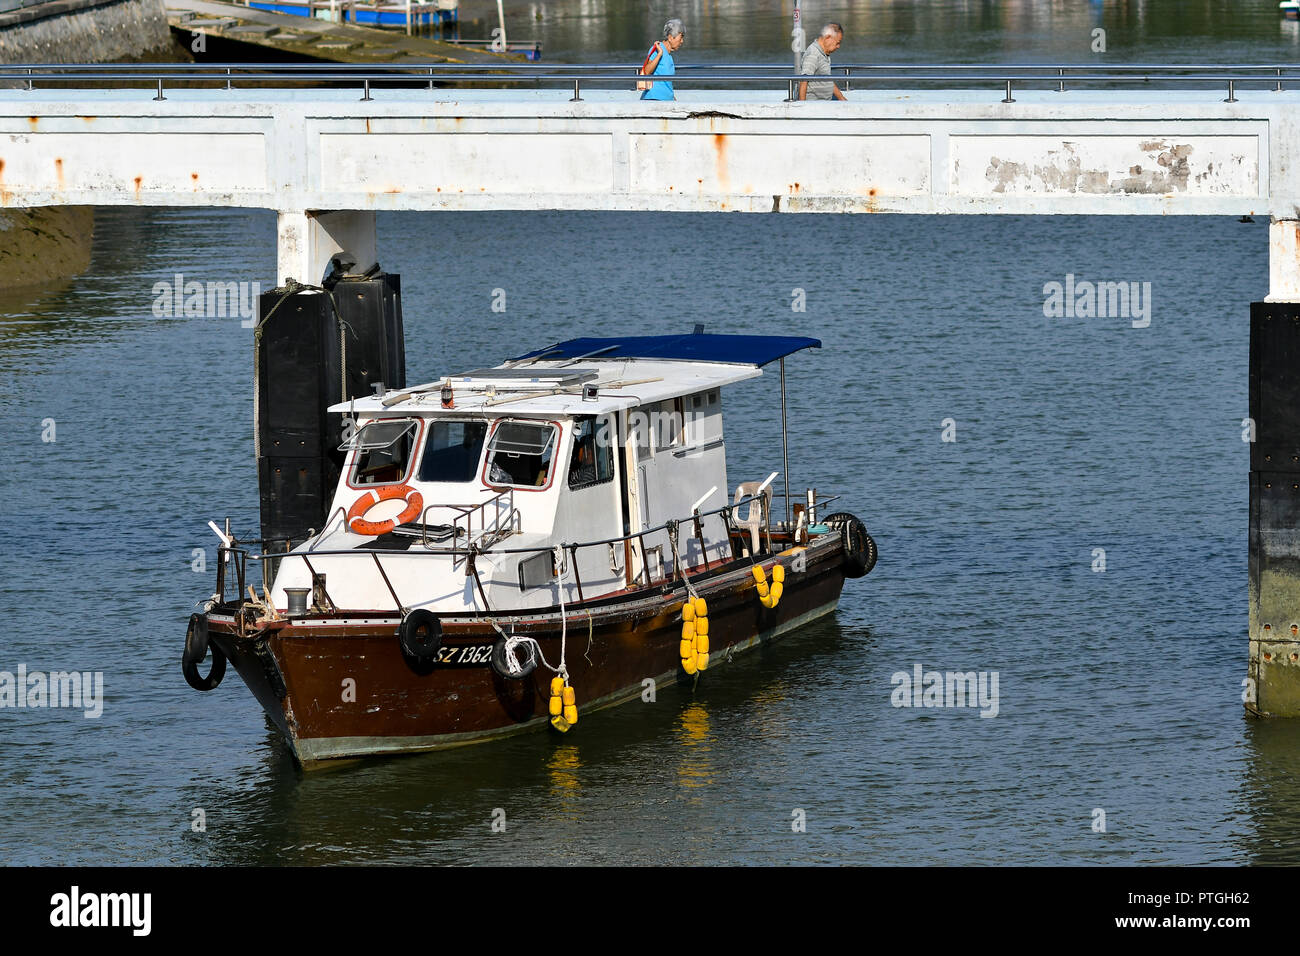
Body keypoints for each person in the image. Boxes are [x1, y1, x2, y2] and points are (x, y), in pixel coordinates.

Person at [798, 23, 847, 101]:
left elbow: (827, 79)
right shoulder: (813, 55)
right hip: (814, 105)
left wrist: (841, 98)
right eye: (837, 43)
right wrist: (803, 106)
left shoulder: (824, 54)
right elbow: (803, 81)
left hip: (825, 103)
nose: (838, 46)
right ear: (828, 37)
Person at [639, 18, 685, 101]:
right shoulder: (657, 48)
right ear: (670, 37)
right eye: (681, 37)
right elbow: (647, 71)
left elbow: (666, 82)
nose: (682, 41)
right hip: (653, 99)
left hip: (666, 100)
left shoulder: (669, 56)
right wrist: (659, 54)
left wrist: (672, 97)